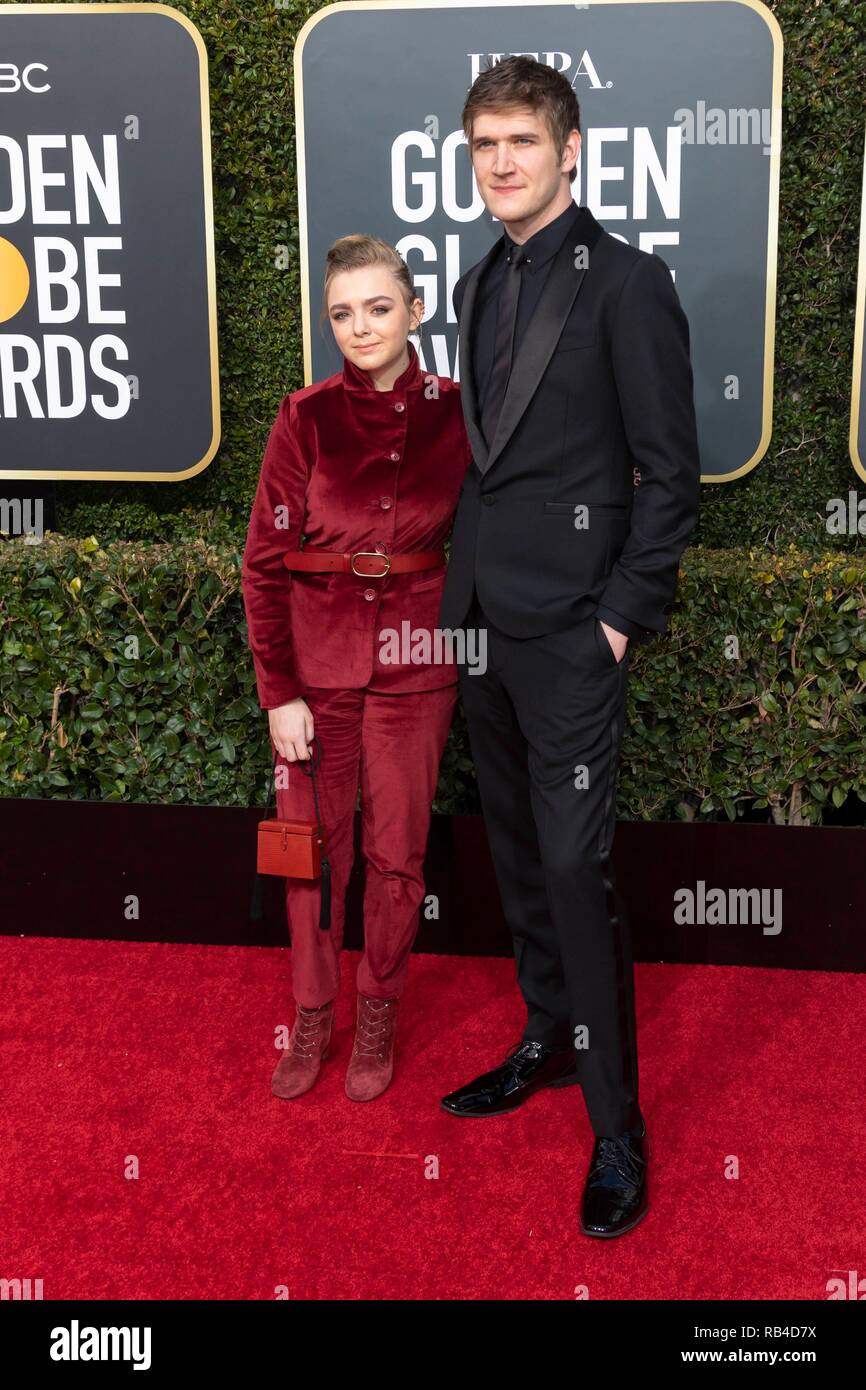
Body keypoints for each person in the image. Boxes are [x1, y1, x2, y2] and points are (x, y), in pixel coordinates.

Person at [438, 56, 701, 1237]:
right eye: (483, 144)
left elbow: (669, 475)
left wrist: (614, 622)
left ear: (569, 147)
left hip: (570, 637)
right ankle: (545, 1036)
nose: (499, 162)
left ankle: (615, 1128)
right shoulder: (477, 276)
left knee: (571, 869)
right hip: (482, 625)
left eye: (520, 143)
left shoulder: (627, 285)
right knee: (510, 850)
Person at [242, 235, 471, 1103]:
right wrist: (281, 694)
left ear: (415, 311)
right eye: (343, 312)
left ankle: (378, 1010)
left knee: (395, 856)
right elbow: (262, 563)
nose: (360, 327)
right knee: (309, 856)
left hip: (419, 666)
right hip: (315, 673)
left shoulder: (459, 411)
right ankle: (311, 1016)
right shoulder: (305, 416)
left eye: (379, 308)